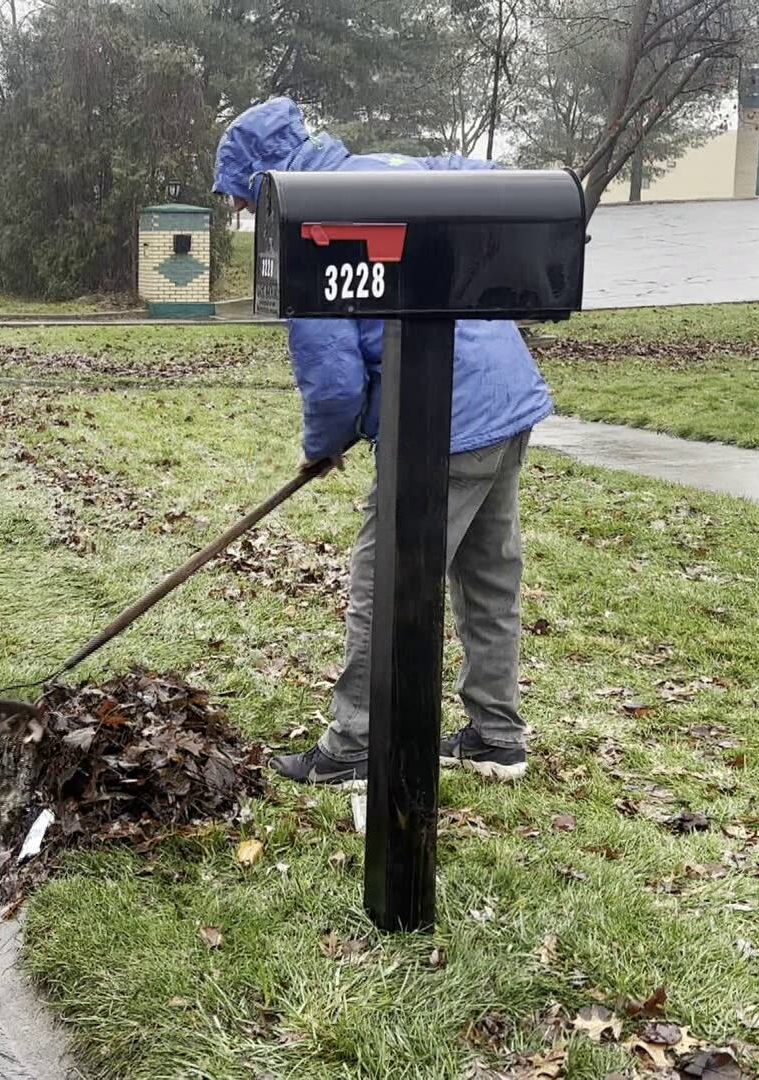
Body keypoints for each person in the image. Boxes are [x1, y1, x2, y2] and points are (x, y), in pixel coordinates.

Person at [211, 97, 553, 785]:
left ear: (264, 176)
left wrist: (322, 444)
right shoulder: (394, 171)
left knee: (385, 582)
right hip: (506, 397)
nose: (250, 214)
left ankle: (358, 743)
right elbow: (487, 175)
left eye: (247, 198)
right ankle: (496, 734)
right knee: (489, 578)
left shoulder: (308, 222)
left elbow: (333, 378)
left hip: (442, 421)